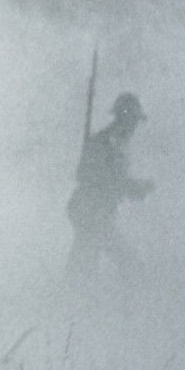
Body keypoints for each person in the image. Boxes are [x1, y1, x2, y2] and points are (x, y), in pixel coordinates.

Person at [66, 92, 154, 283]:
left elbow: (114, 179)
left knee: (83, 265)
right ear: (123, 117)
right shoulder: (103, 142)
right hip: (90, 211)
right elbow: (90, 176)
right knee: (127, 263)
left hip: (100, 212)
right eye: (132, 120)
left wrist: (134, 187)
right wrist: (132, 187)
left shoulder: (119, 144)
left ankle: (71, 296)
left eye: (136, 121)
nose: (134, 126)